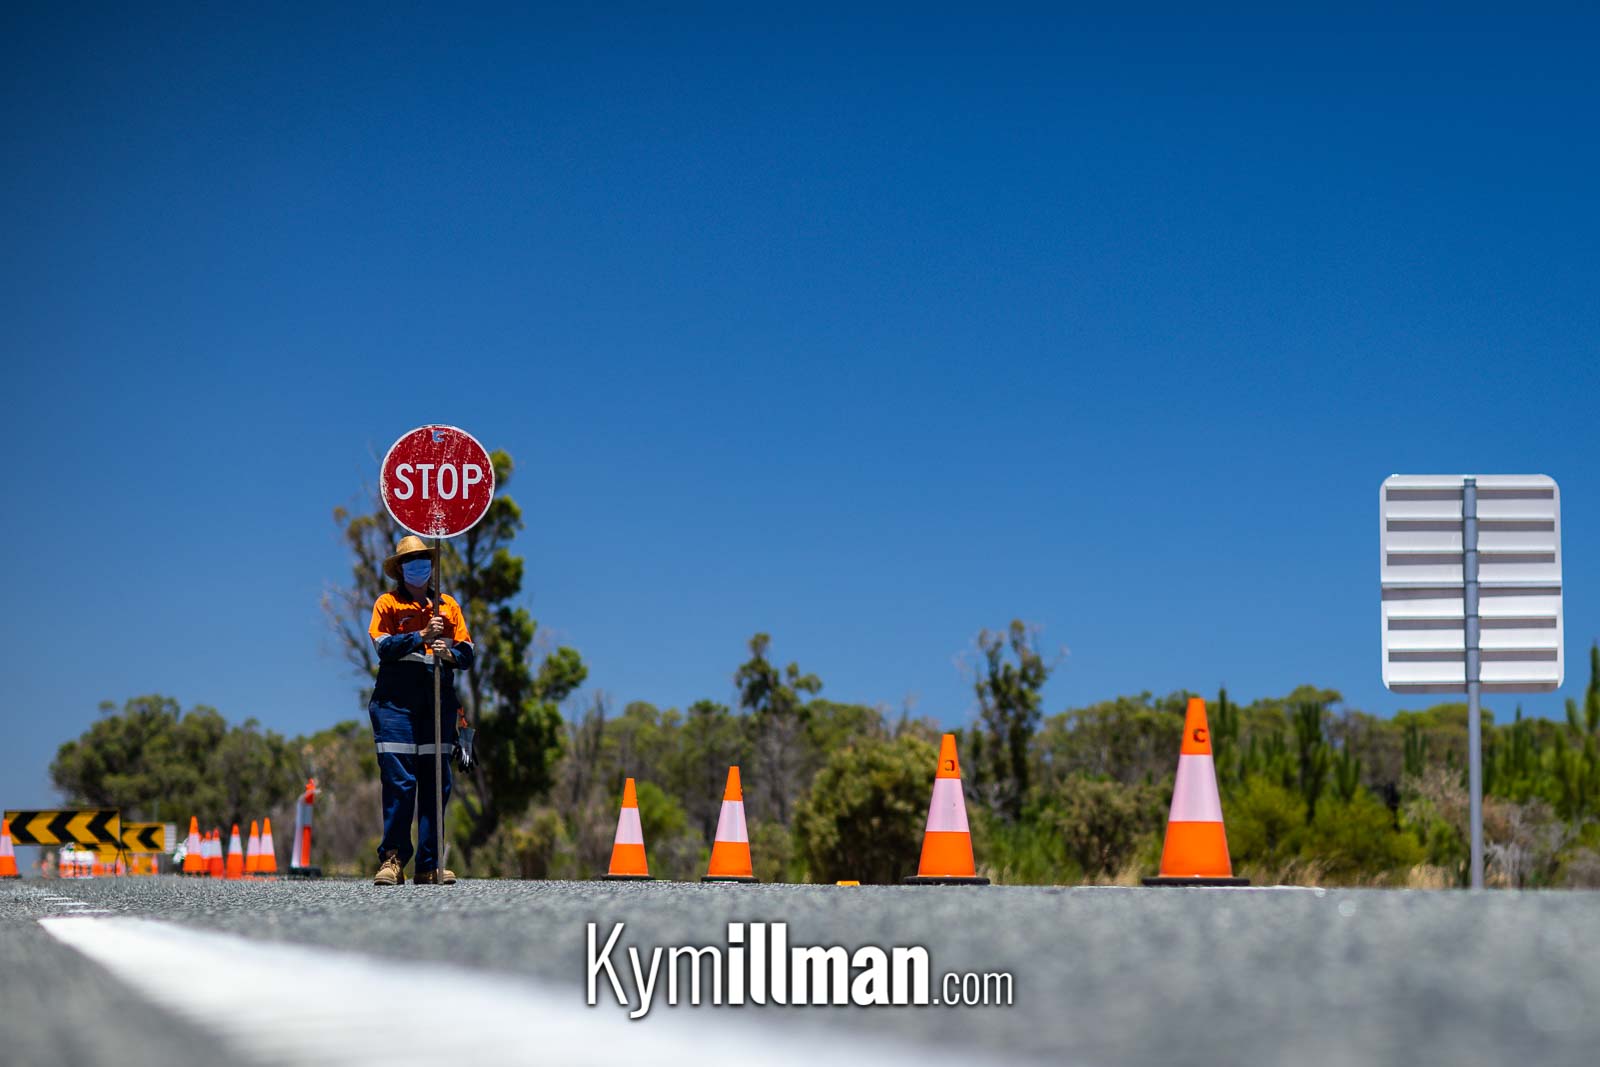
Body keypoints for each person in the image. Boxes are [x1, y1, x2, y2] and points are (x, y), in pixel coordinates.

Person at [368, 534, 475, 886]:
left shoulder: (448, 606)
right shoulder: (387, 604)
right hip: (394, 706)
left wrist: (448, 652)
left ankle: (429, 864)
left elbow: (468, 654)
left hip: (437, 704)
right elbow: (383, 647)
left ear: (433, 566)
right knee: (400, 783)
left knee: (435, 783)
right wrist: (421, 636)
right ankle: (393, 859)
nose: (419, 567)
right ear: (400, 569)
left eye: (424, 560)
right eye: (411, 562)